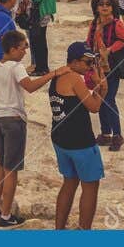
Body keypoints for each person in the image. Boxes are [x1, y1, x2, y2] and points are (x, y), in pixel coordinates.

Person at [0, 29, 59, 227]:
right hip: (13, 120)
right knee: (12, 169)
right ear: (13, 49)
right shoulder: (16, 67)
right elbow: (29, 87)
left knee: (2, 164)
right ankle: (5, 215)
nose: (25, 51)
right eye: (24, 47)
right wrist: (52, 74)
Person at [47, 43, 107, 230]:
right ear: (74, 62)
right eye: (88, 62)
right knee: (90, 187)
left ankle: (59, 228)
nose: (90, 66)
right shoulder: (75, 79)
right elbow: (94, 107)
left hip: (60, 138)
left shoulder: (57, 77)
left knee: (69, 183)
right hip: (80, 142)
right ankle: (84, 230)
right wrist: (101, 86)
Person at [86, 0, 124, 149]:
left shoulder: (116, 24)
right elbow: (88, 41)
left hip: (112, 67)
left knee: (109, 100)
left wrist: (109, 50)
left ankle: (117, 135)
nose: (104, 7)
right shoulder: (94, 23)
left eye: (108, 4)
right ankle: (106, 134)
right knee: (100, 99)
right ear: (96, 8)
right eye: (101, 4)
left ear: (113, 7)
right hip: (97, 68)